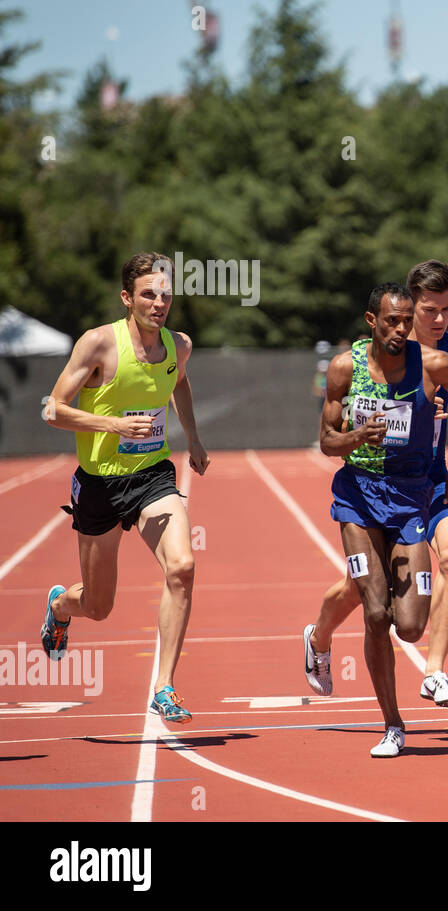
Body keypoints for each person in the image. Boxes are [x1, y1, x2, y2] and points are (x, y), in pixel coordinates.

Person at [41, 252, 210, 724]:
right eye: (149, 295)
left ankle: (164, 686)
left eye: (165, 295)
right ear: (127, 299)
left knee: (183, 566)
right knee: (99, 606)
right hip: (99, 484)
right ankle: (60, 605)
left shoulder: (179, 346)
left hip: (153, 475)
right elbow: (52, 410)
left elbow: (179, 385)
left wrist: (193, 437)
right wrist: (111, 424)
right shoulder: (98, 345)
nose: (159, 303)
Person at [303, 260, 448, 708]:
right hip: (369, 485)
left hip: (430, 482)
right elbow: (328, 436)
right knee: (364, 594)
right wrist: (358, 433)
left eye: (447, 310)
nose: (438, 320)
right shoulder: (361, 360)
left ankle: (434, 669)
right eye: (429, 311)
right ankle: (320, 635)